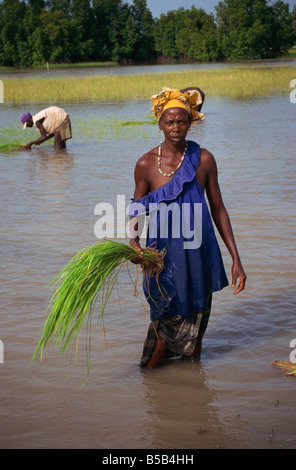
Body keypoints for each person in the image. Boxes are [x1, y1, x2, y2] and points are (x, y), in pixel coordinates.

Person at [129, 86, 246, 369]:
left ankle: (193, 384)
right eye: (169, 121)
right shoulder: (145, 164)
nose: (176, 127)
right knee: (165, 319)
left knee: (197, 318)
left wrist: (236, 259)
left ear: (191, 123)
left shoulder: (203, 159)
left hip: (199, 252)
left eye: (182, 120)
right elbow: (137, 210)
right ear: (159, 123)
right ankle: (150, 378)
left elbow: (219, 209)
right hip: (163, 257)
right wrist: (134, 243)